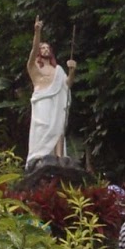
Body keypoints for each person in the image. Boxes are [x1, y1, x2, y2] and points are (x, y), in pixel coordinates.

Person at [25, 17, 74, 168]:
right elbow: (33, 50)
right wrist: (37, 32)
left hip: (56, 102)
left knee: (58, 126)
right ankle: (39, 156)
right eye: (42, 48)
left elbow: (67, 85)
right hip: (42, 100)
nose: (45, 49)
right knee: (44, 125)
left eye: (47, 48)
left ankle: (59, 156)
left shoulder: (57, 70)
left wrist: (72, 70)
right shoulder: (34, 67)